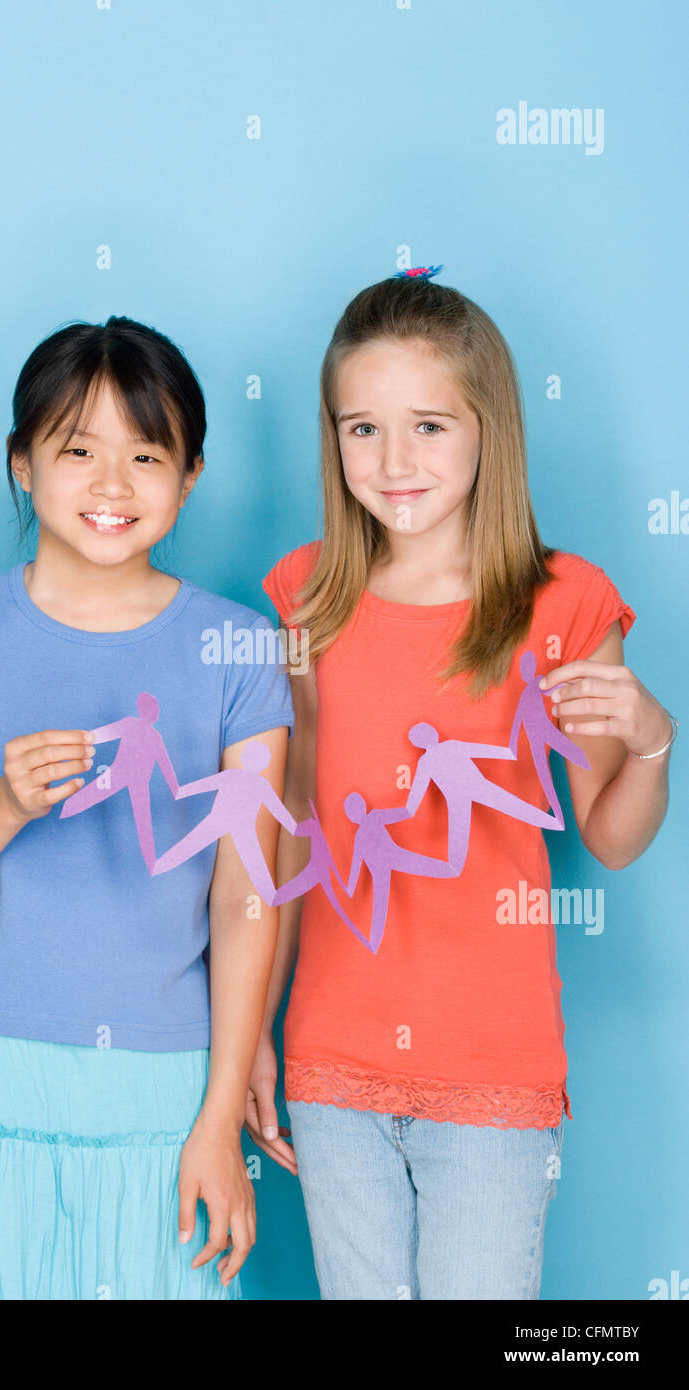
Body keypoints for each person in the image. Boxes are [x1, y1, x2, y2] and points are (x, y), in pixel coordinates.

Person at [248, 266, 676, 1300]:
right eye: (362, 428)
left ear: (491, 429)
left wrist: (654, 744)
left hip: (491, 1070)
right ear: (332, 436)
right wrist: (255, 1034)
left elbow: (610, 838)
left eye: (430, 426)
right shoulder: (305, 596)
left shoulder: (562, 603)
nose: (394, 461)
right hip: (331, 1056)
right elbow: (292, 834)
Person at [0, 314, 293, 1299]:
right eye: (77, 450)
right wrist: (6, 804)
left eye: (148, 455)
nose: (113, 485)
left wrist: (220, 1113)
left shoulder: (240, 649)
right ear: (23, 463)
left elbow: (245, 898)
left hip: (162, 1082)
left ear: (189, 476)